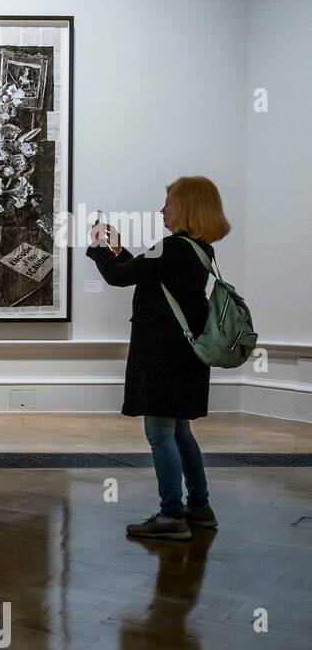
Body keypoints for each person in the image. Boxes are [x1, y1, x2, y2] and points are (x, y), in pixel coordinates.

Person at [87, 177, 230, 540]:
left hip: (164, 357)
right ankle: (199, 507)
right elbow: (147, 275)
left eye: (167, 202)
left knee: (160, 433)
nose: (161, 209)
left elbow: (119, 278)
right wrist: (118, 249)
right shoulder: (198, 250)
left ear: (185, 206)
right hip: (188, 356)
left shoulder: (170, 247)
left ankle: (171, 516)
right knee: (181, 430)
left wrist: (99, 248)